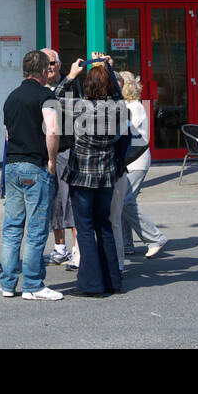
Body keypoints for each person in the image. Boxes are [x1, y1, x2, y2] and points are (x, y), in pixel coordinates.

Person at [0, 49, 63, 300]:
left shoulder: (11, 98)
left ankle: (7, 283)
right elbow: (53, 131)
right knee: (36, 230)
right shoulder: (46, 96)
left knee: (12, 229)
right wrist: (52, 161)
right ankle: (33, 285)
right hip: (35, 165)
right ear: (45, 71)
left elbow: (7, 133)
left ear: (24, 70)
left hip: (12, 165)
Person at [63, 62, 129, 296]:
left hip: (82, 174)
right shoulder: (118, 108)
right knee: (104, 225)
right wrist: (109, 69)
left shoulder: (79, 106)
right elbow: (119, 95)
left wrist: (71, 75)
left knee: (85, 228)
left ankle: (91, 284)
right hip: (107, 174)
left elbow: (55, 97)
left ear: (88, 85)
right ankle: (112, 281)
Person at [118, 74, 166, 259]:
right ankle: (126, 244)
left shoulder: (133, 107)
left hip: (136, 160)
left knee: (126, 201)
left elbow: (126, 131)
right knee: (124, 201)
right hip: (131, 159)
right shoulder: (131, 106)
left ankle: (155, 238)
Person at [43, 49, 81, 269]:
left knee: (72, 200)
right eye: (45, 62)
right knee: (55, 200)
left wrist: (69, 78)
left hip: (67, 147)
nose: (49, 66)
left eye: (52, 62)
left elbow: (55, 101)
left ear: (59, 64)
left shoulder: (72, 84)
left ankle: (77, 250)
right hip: (47, 152)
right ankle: (59, 248)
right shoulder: (37, 85)